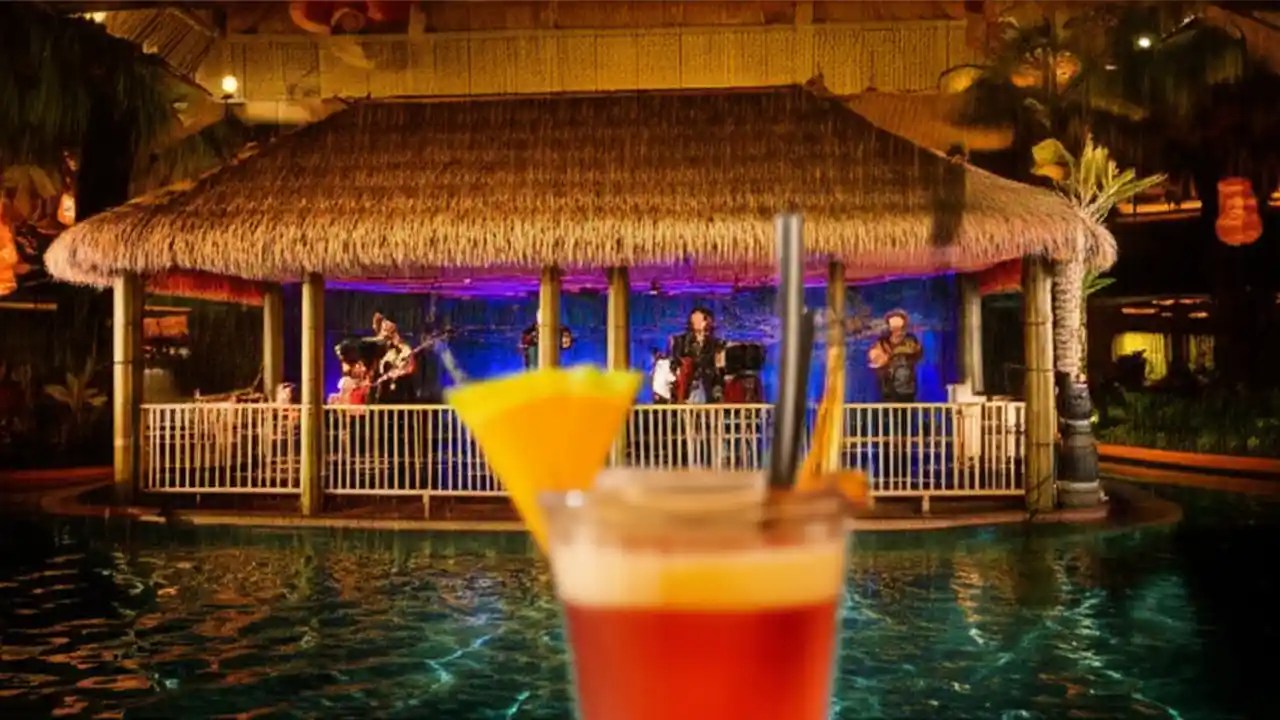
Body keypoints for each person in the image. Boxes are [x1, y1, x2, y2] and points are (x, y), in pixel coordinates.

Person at [669, 307, 726, 404]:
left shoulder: (717, 343)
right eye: (694, 318)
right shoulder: (680, 341)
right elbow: (674, 363)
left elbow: (719, 368)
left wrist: (718, 387)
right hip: (687, 385)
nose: (697, 321)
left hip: (707, 384)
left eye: (701, 319)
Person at [867, 309, 923, 403]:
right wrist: (879, 359)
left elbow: (916, 352)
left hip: (907, 388)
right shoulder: (883, 341)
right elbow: (875, 357)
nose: (897, 330)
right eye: (893, 326)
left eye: (899, 326)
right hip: (887, 388)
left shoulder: (911, 340)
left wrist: (895, 354)